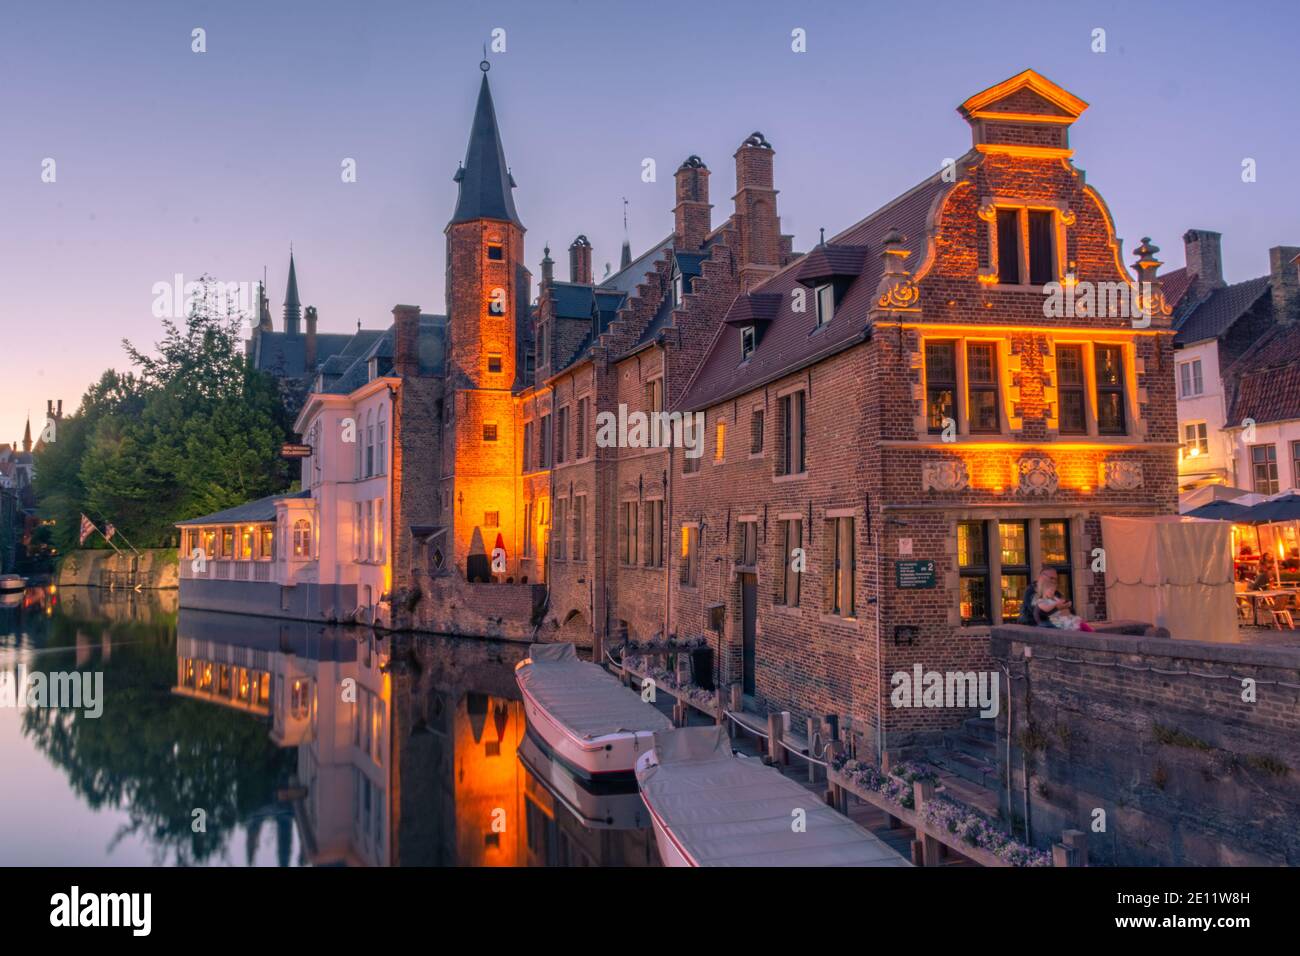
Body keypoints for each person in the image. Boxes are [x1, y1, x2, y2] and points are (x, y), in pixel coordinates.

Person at [1018, 568, 1094, 631]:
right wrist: (1057, 607)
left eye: (1055, 579)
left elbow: (1069, 609)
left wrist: (1066, 606)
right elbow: (1038, 611)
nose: (1053, 581)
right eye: (1051, 578)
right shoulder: (1031, 591)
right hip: (1033, 626)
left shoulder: (1055, 592)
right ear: (1042, 577)